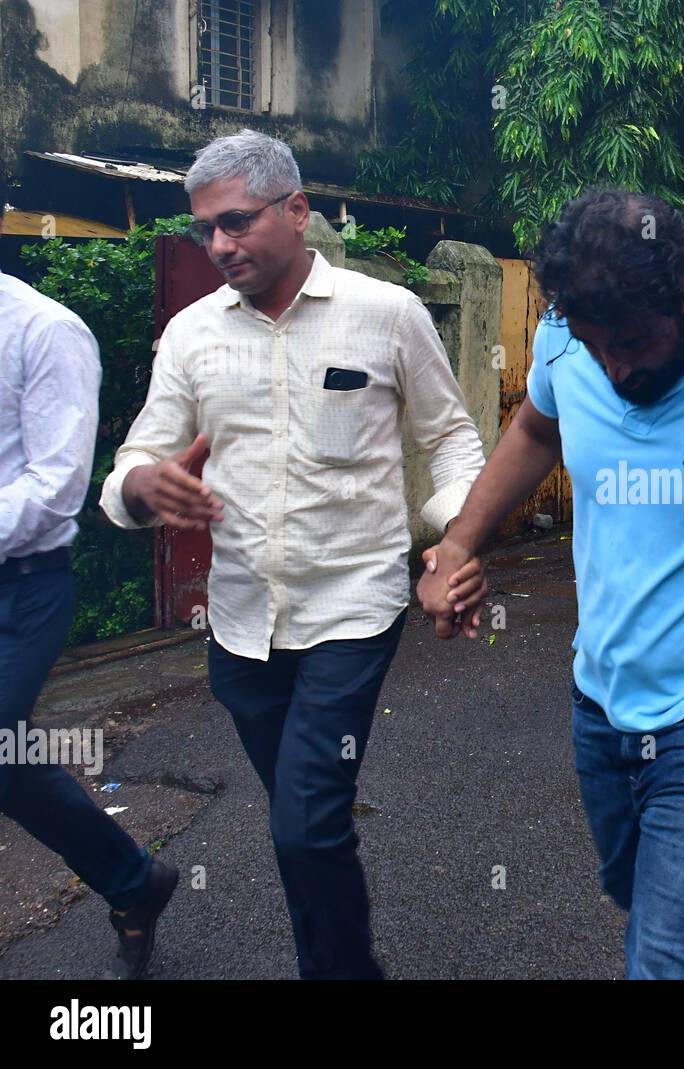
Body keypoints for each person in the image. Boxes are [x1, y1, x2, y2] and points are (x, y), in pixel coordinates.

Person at [422, 188, 684, 978]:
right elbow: (536, 428)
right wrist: (459, 543)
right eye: (596, 345)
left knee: (666, 959)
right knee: (631, 886)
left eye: (635, 344)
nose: (614, 368)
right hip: (601, 694)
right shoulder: (564, 336)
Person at [100, 130, 486, 979]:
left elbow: (453, 441)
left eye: (236, 222)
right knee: (305, 822)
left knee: (306, 822)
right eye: (206, 229)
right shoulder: (192, 334)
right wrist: (142, 489)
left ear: (297, 210)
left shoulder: (386, 314)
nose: (220, 245)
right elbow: (133, 463)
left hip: (351, 608)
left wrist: (454, 540)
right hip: (239, 629)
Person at [1, 176, 177, 979]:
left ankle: (133, 879)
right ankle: (135, 881)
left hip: (23, 585)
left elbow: (55, 488)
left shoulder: (45, 331)